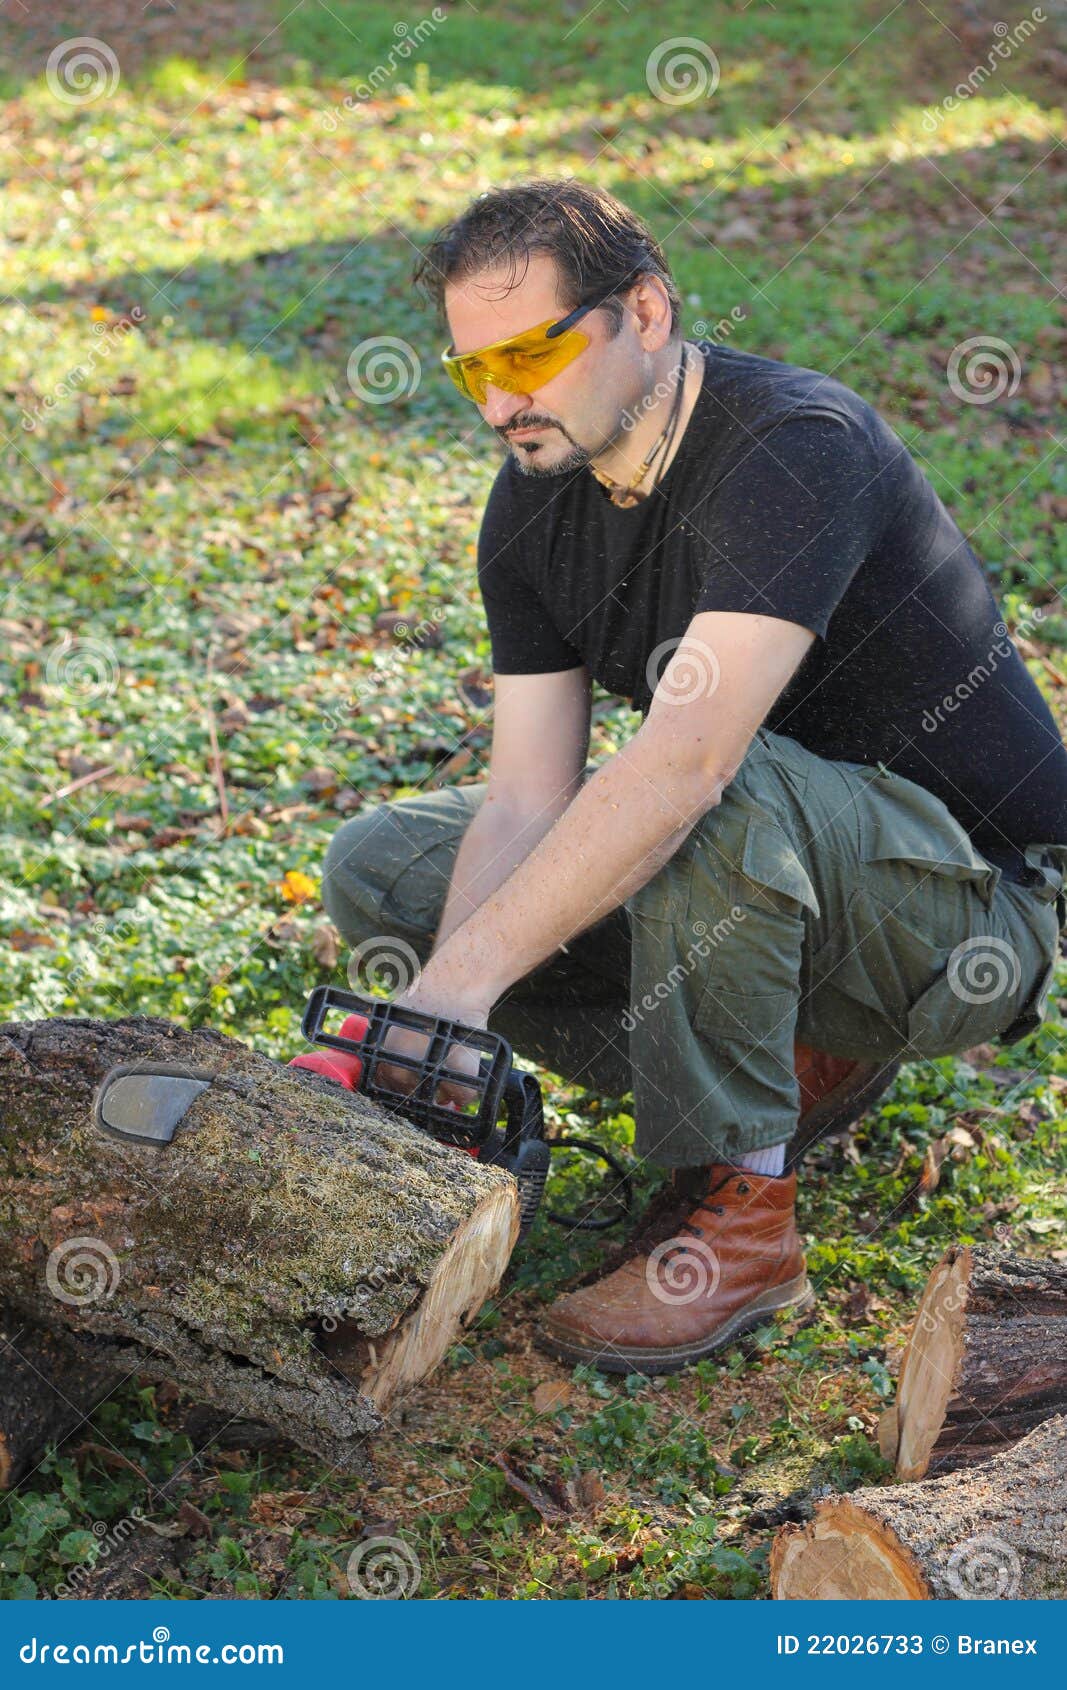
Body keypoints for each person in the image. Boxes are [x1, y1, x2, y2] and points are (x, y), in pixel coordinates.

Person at [321, 178, 1067, 1376]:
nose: (503, 398)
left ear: (646, 314)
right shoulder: (532, 505)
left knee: (702, 793)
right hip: (777, 865)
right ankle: (766, 1066)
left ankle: (744, 1218)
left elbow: (685, 765)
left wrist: (457, 983)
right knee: (381, 869)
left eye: (531, 351)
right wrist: (439, 1032)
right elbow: (524, 795)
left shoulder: (795, 446)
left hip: (965, 906)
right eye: (474, 370)